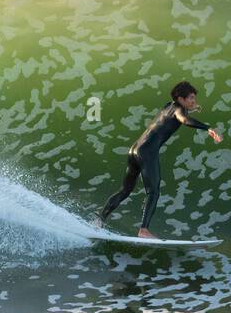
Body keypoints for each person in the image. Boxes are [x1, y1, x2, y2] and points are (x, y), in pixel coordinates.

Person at [95, 81, 222, 239]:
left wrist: (192, 108)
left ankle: (99, 220)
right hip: (147, 152)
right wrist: (208, 128)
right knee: (153, 191)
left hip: (134, 149)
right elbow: (184, 119)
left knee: (125, 190)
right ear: (181, 99)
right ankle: (144, 230)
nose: (194, 101)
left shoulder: (168, 106)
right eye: (191, 98)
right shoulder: (179, 110)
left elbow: (178, 114)